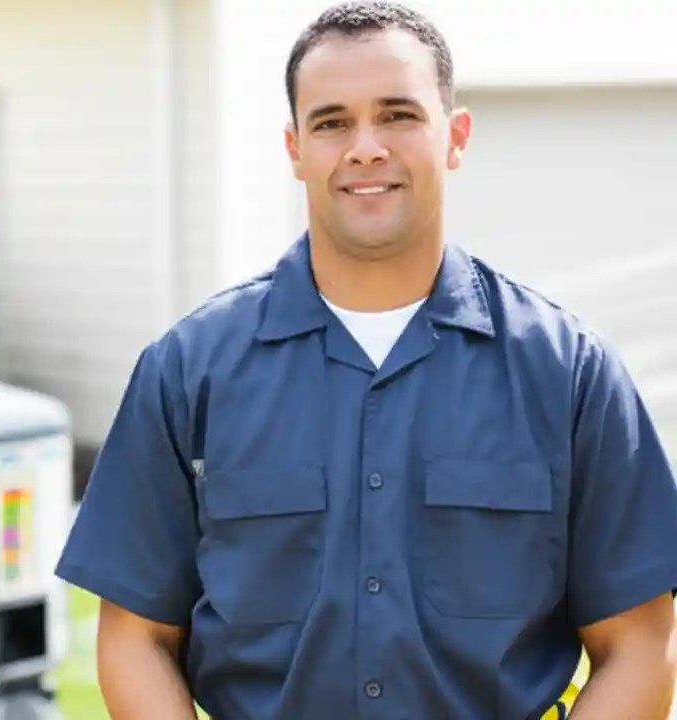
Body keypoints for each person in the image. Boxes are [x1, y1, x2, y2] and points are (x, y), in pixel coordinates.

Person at [53, 2, 677, 718]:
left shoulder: (567, 374)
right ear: (294, 148)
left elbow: (641, 643)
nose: (366, 147)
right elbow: (134, 639)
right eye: (331, 122)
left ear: (456, 135)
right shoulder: (188, 370)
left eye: (399, 115)